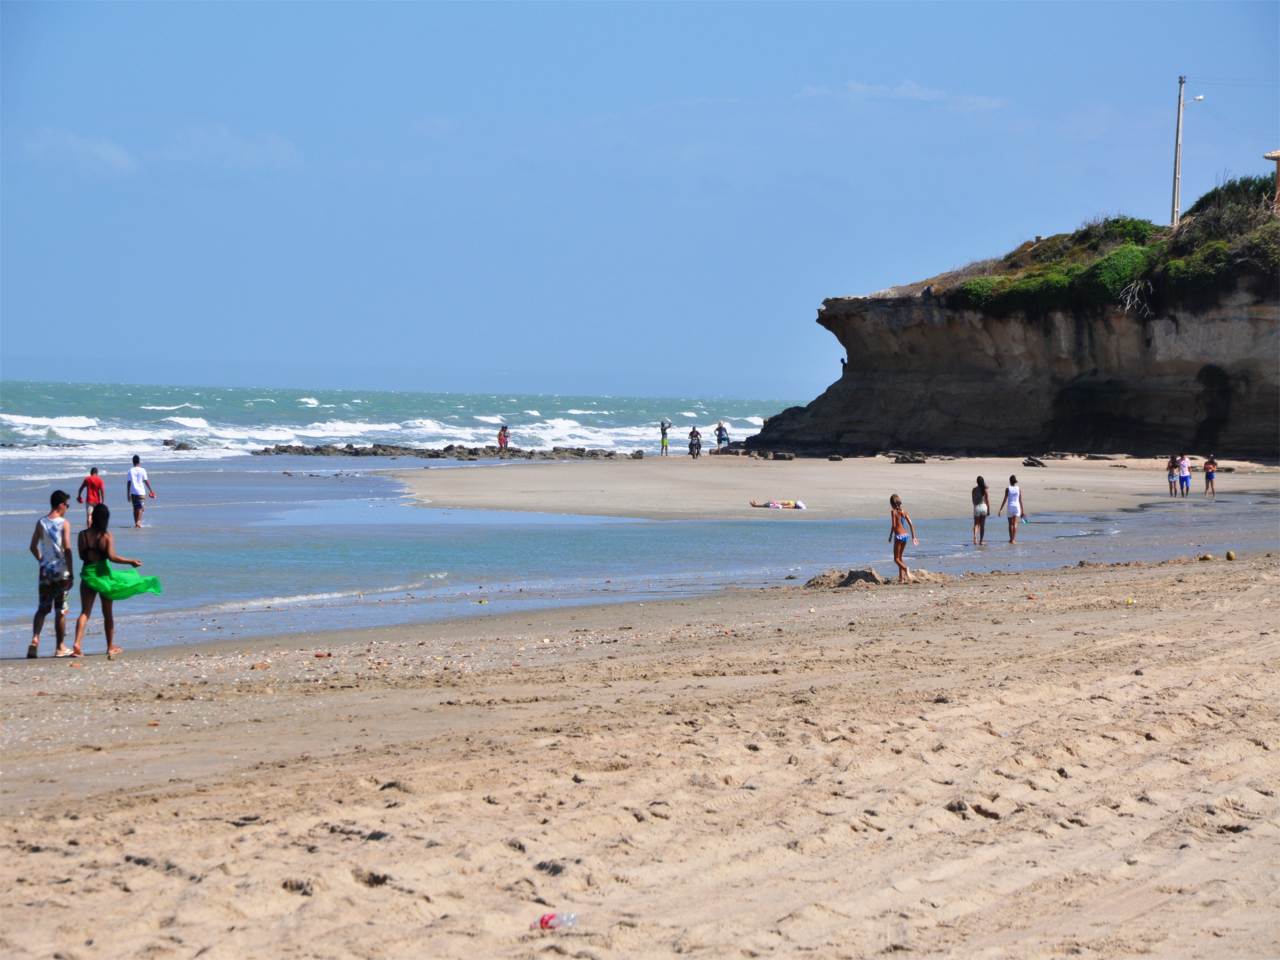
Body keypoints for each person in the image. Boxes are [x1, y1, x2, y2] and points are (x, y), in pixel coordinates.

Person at [72, 504, 161, 659]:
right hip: (105, 578)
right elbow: (112, 557)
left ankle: (77, 644)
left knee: (85, 612)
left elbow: (81, 556)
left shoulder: (82, 535)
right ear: (105, 519)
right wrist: (130, 561)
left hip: (87, 575)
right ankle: (110, 646)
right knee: (107, 613)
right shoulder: (107, 536)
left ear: (93, 518)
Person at [28, 491, 75, 658]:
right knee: (60, 610)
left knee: (42, 609)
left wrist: (42, 561)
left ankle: (35, 638)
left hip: (45, 572)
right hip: (61, 572)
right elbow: (67, 549)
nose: (67, 509)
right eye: (67, 506)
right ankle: (60, 647)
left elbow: (33, 547)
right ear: (61, 505)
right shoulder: (64, 523)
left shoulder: (41, 523)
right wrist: (72, 574)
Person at [888, 494, 918, 584]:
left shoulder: (893, 512)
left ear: (892, 504)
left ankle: (905, 569)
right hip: (905, 536)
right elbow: (911, 524)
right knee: (900, 558)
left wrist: (890, 535)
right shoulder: (904, 511)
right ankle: (901, 579)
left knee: (896, 559)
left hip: (898, 536)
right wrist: (914, 537)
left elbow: (894, 525)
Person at [126, 455, 155, 527]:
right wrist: (151, 490)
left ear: (133, 462)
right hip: (141, 493)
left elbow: (129, 483)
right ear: (139, 462)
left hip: (133, 493)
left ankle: (136, 523)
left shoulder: (130, 471)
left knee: (135, 508)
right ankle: (138, 521)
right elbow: (146, 481)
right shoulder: (142, 470)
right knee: (141, 508)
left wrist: (128, 494)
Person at [997, 474, 1027, 543]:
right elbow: (1020, 500)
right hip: (1017, 507)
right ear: (1015, 481)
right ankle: (1013, 539)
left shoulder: (1008, 489)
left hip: (1010, 507)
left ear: (1010, 481)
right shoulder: (1019, 489)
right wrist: (1023, 511)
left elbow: (1005, 500)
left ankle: (1011, 539)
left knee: (1010, 524)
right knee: (1015, 524)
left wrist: (1000, 509)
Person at [972, 475, 990, 546]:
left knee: (976, 524)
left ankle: (975, 535)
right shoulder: (985, 490)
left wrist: (975, 505)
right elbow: (987, 500)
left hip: (977, 506)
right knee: (982, 525)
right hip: (983, 506)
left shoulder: (974, 490)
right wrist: (988, 509)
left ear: (977, 482)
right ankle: (981, 541)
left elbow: (973, 500)